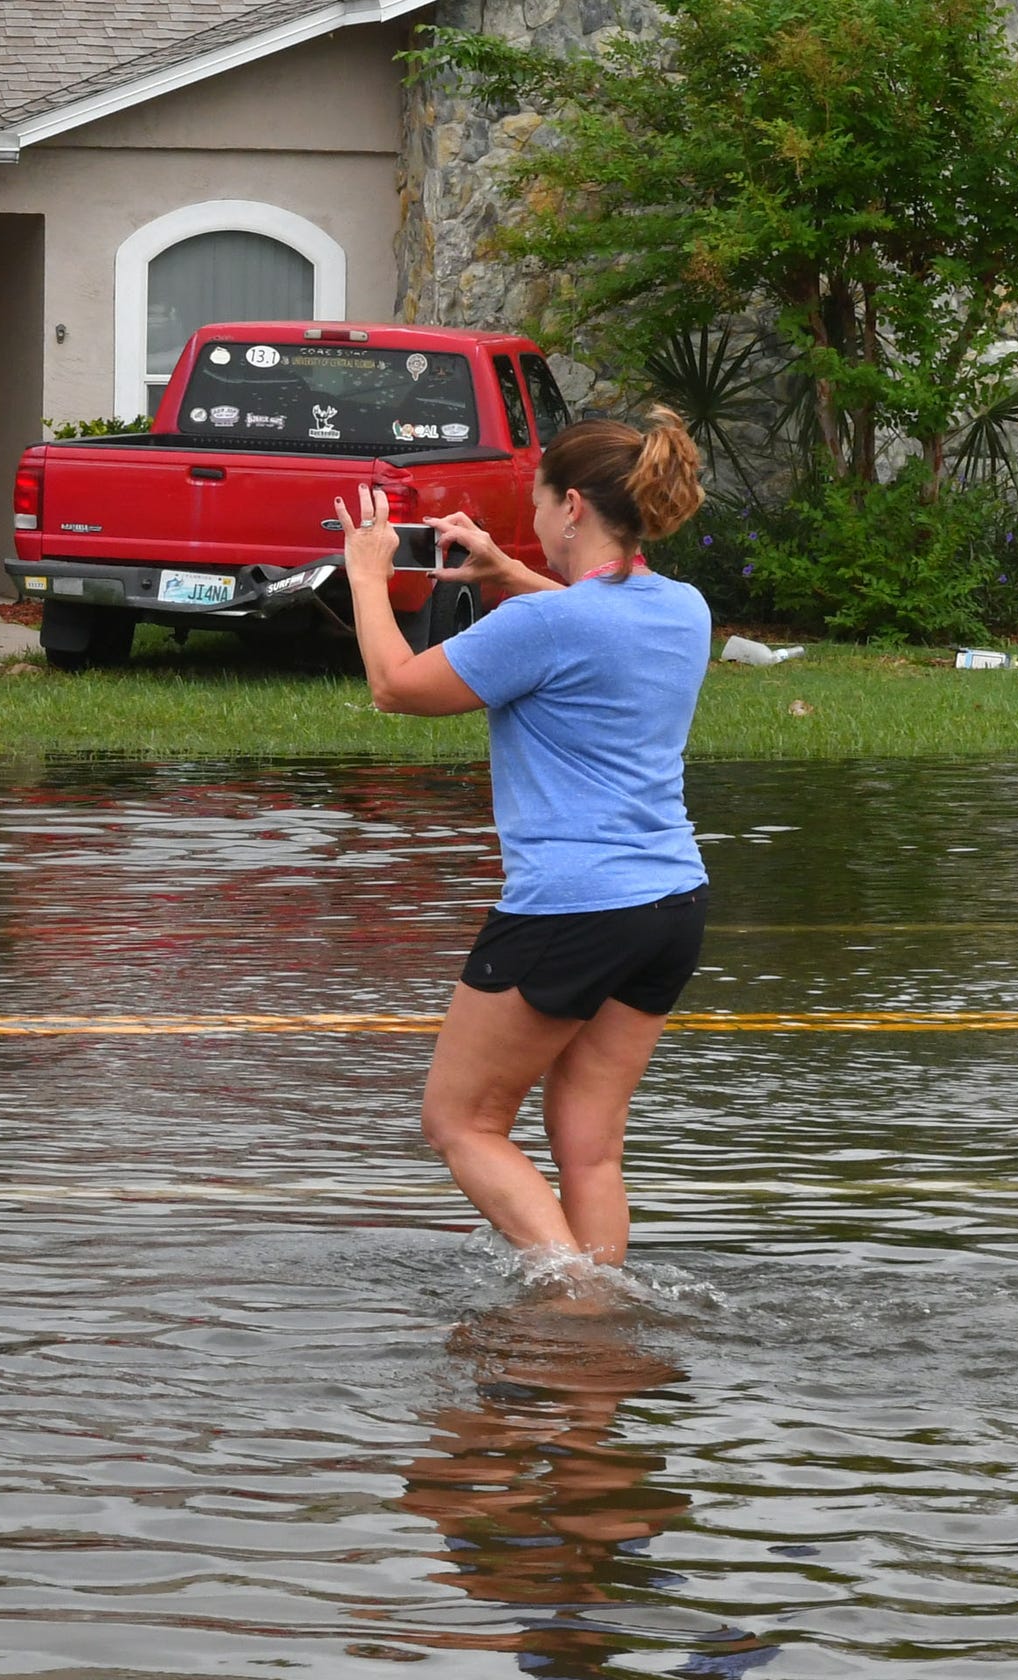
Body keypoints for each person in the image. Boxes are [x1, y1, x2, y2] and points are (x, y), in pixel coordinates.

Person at [334, 407, 712, 1266]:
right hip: (672, 905)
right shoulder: (681, 609)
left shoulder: (544, 627)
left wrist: (366, 573)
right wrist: (506, 571)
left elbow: (397, 687)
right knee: (588, 1142)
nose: (533, 520)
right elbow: (588, 624)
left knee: (460, 1120)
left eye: (540, 502)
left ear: (571, 506)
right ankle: (596, 1371)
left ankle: (574, 1296)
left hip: (574, 907)